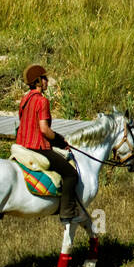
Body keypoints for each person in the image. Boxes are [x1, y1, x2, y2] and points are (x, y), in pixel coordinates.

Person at [16, 64, 83, 221]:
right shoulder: (42, 101)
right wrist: (59, 140)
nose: (47, 81)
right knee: (71, 174)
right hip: (38, 147)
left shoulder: (25, 99)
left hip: (22, 145)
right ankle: (67, 211)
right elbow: (44, 130)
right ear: (38, 81)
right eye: (44, 78)